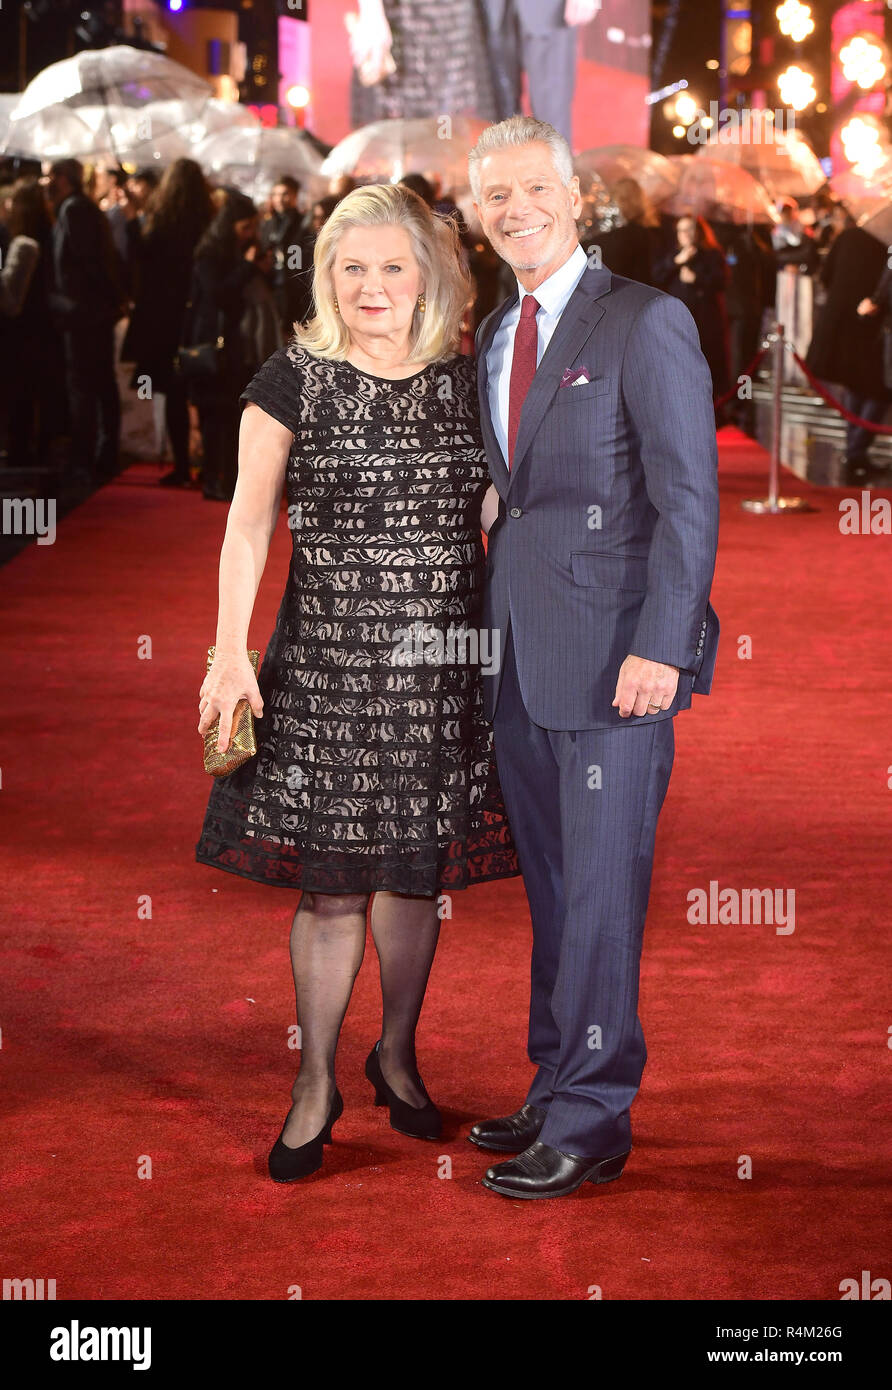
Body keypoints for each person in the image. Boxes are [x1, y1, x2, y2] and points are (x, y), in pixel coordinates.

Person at [195, 183, 520, 1183]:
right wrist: (227, 649)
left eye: (391, 265)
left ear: (429, 274)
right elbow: (249, 523)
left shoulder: (475, 381)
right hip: (326, 667)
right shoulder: (292, 379)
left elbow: (509, 514)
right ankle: (314, 1084)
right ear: (325, 274)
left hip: (438, 667)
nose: (371, 285)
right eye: (351, 266)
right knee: (331, 883)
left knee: (413, 871)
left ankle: (396, 1051)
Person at [466, 115, 719, 1200]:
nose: (515, 209)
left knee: (604, 892)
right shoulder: (492, 330)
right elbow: (514, 491)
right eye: (493, 198)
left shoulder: (642, 321)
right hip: (518, 658)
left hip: (619, 660)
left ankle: (594, 1116)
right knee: (558, 885)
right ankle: (554, 1076)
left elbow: (688, 497)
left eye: (532, 189)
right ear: (477, 216)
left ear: (575, 196)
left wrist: (663, 645)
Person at [121, 158, 215, 488]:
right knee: (203, 390)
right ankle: (211, 466)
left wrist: (133, 220)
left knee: (172, 393)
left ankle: (182, 464)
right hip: (198, 315)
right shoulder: (208, 220)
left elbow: (140, 262)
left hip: (163, 317)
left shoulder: (160, 223)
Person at [182, 191, 272, 501]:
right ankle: (213, 479)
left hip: (236, 345)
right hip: (214, 342)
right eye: (245, 227)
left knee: (233, 415)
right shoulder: (210, 253)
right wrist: (248, 267)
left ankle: (230, 481)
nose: (251, 234)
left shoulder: (239, 251)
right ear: (231, 224)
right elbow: (218, 294)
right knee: (213, 414)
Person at [44, 157, 125, 486]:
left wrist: (98, 301)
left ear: (65, 178)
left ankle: (88, 458)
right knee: (99, 383)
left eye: (51, 175)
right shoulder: (79, 208)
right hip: (89, 311)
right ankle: (101, 454)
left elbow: (87, 262)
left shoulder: (74, 210)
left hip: (84, 314)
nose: (46, 182)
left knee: (87, 386)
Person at [347, 0, 497, 127]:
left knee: (452, 118)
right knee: (398, 127)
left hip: (452, 15)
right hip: (402, 16)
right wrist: (371, 12)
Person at [480, 0, 601, 144]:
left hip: (549, 10)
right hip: (493, 8)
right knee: (502, 116)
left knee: (551, 116)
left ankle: (555, 165)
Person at [654, 213, 730, 411]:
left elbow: (721, 282)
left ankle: (710, 408)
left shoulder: (712, 254)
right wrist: (677, 261)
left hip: (705, 320)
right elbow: (656, 276)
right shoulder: (672, 255)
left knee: (706, 362)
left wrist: (697, 278)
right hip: (677, 320)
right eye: (681, 230)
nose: (685, 234)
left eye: (689, 229)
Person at [259, 175, 314, 334]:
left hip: (293, 288)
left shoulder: (302, 223)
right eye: (275, 194)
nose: (279, 199)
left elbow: (298, 259)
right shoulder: (268, 224)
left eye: (285, 194)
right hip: (270, 286)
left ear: (295, 195)